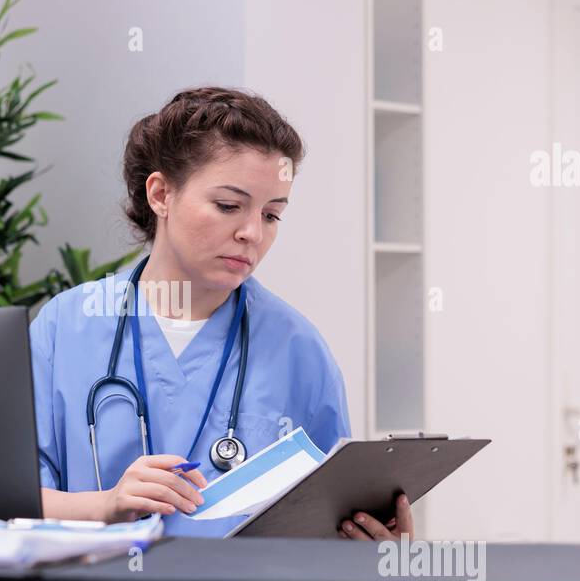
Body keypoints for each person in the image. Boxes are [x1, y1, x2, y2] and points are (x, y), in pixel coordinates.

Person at [30, 86, 413, 541]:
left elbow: (328, 515)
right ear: (161, 194)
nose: (252, 233)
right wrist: (107, 504)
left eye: (272, 215)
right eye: (229, 206)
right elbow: (3, 502)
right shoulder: (66, 328)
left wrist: (374, 546)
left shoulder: (297, 347)